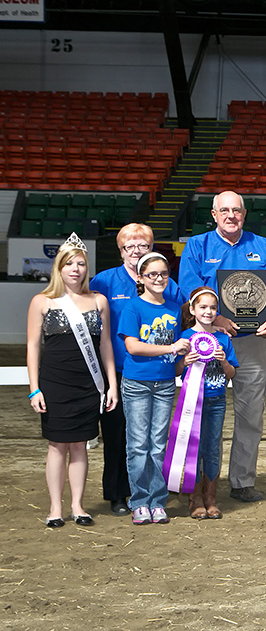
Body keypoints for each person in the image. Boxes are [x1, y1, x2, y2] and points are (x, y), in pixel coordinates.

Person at [179, 190, 266, 503]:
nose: (231, 216)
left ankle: (242, 481)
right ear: (214, 215)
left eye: (237, 211)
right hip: (208, 345)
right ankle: (199, 483)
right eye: (224, 211)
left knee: (250, 414)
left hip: (252, 344)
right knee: (201, 414)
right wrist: (214, 321)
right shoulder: (197, 246)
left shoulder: (262, 246)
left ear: (244, 214)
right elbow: (187, 290)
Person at [90, 223, 184, 516]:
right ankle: (119, 493)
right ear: (120, 252)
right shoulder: (104, 281)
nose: (136, 251)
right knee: (119, 434)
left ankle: (150, 493)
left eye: (142, 245)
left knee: (153, 439)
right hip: (115, 370)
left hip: (157, 371)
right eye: (129, 246)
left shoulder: (170, 286)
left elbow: (189, 314)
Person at [26, 233, 118, 528]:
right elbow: (32, 347)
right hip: (54, 382)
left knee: (80, 445)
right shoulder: (42, 301)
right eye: (69, 264)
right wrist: (34, 389)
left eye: (80, 263)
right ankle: (55, 508)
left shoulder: (98, 301)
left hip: (89, 383)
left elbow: (105, 345)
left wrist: (111, 385)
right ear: (59, 268)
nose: (75, 269)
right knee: (57, 445)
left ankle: (78, 506)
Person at [119, 253, 190, 525]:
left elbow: (182, 345)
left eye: (163, 274)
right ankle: (139, 500)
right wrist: (171, 348)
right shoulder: (133, 308)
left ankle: (158, 501)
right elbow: (133, 346)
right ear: (140, 278)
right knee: (138, 445)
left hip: (164, 383)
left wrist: (185, 358)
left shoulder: (174, 308)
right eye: (152, 274)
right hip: (137, 382)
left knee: (159, 445)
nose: (159, 279)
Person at [176, 287, 239, 519]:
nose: (209, 312)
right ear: (192, 310)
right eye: (203, 307)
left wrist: (223, 362)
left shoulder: (223, 339)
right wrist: (185, 361)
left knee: (212, 450)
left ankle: (211, 497)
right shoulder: (184, 337)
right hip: (193, 401)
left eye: (213, 308)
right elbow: (175, 370)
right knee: (194, 449)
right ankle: (195, 498)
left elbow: (231, 374)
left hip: (217, 401)